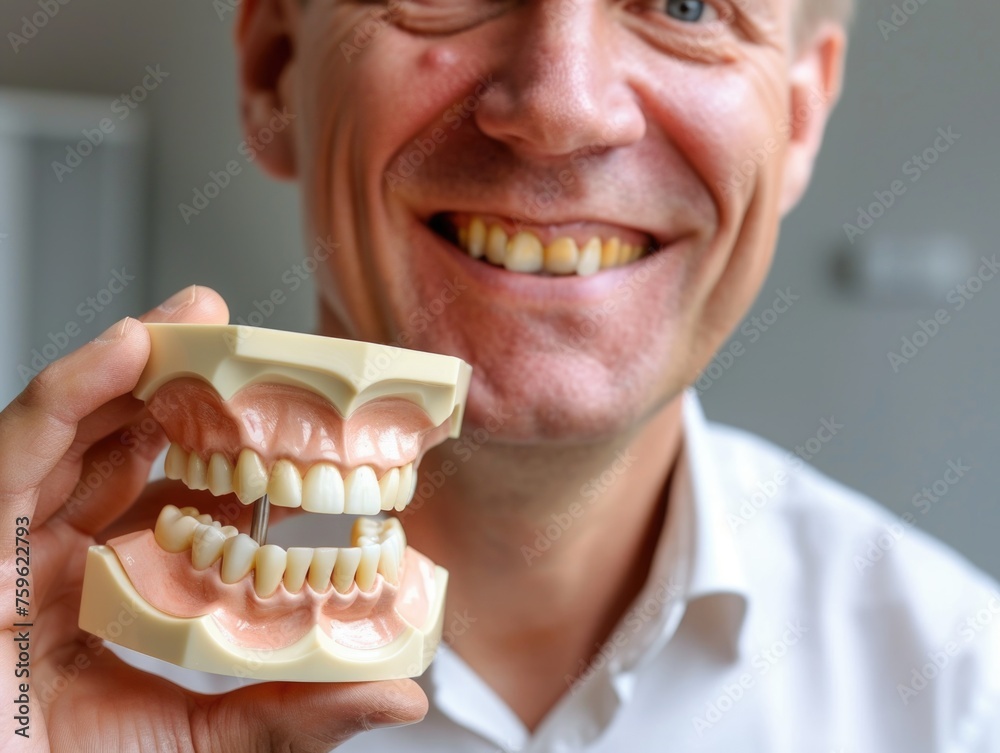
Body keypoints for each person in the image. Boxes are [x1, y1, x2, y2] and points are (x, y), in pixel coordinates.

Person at [3, 0, 999, 749]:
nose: (560, 106)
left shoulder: (962, 694)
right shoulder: (36, 654)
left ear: (797, 122)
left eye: (687, 4)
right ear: (274, 70)